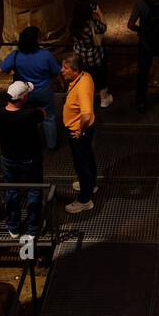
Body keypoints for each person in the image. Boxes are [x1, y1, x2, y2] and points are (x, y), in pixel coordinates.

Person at [0, 80, 44, 240]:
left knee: (11, 191)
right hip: (30, 158)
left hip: (8, 158)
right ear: (22, 98)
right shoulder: (29, 115)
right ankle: (33, 228)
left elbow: (1, 102)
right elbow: (43, 113)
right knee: (34, 190)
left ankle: (13, 226)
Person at [0, 26, 61, 149]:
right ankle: (52, 144)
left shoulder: (15, 56)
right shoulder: (46, 55)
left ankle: (29, 143)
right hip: (44, 92)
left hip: (24, 93)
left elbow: (1, 69)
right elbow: (56, 71)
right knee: (49, 117)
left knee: (25, 117)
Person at [60, 54, 98, 213]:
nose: (62, 70)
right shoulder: (85, 76)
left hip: (79, 131)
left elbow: (86, 114)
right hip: (84, 130)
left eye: (65, 68)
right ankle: (91, 185)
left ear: (75, 71)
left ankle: (84, 199)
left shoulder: (81, 86)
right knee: (88, 158)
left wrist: (79, 131)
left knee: (81, 165)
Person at [69, 0, 113, 109]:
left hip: (80, 57)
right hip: (95, 57)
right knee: (100, 77)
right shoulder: (91, 25)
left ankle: (87, 100)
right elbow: (104, 27)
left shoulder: (73, 25)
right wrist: (98, 12)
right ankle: (104, 99)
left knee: (85, 79)